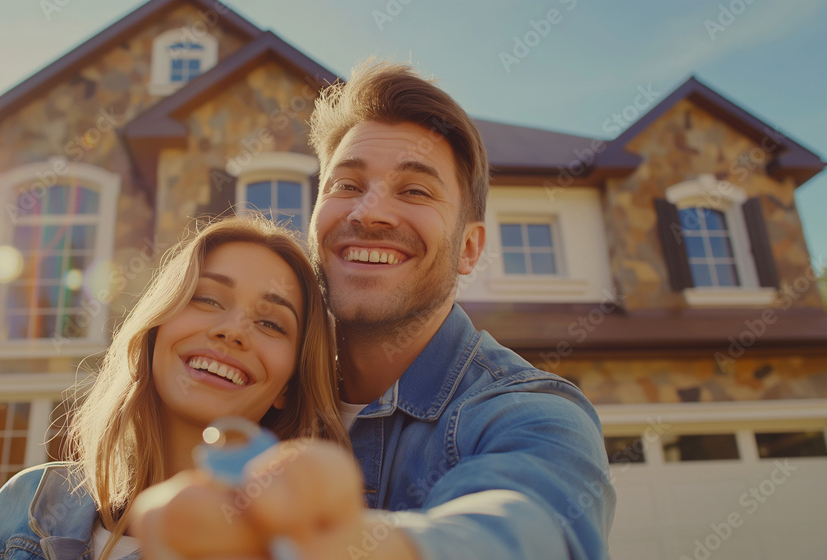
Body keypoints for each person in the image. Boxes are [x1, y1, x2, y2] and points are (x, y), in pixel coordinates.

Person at [130, 61, 616, 559]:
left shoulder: (529, 414)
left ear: (469, 249)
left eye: (414, 190)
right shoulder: (260, 379)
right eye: (346, 186)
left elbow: (529, 527)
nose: (369, 212)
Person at [0, 215, 350, 560]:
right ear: (156, 330)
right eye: (207, 299)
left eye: (271, 324)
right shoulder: (28, 501)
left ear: (289, 385)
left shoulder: (292, 547)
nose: (234, 331)